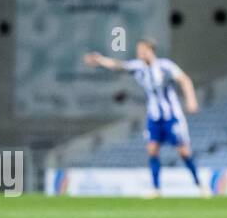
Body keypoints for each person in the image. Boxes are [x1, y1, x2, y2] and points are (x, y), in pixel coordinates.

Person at [84, 39, 206, 197]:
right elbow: (119, 65)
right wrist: (100, 60)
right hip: (154, 117)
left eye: (142, 50)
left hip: (172, 117)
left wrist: (191, 100)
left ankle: (200, 184)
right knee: (152, 150)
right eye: (138, 51)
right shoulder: (139, 67)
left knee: (184, 152)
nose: (140, 53)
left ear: (151, 50)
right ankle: (156, 188)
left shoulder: (165, 65)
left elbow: (185, 79)